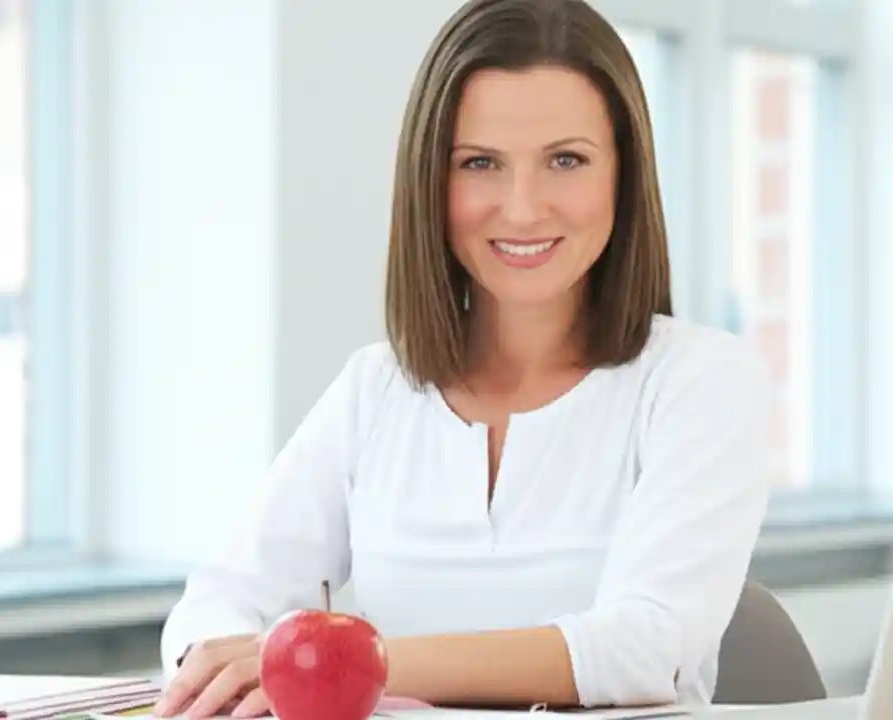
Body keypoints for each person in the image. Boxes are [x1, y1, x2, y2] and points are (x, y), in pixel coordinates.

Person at [154, 0, 771, 716]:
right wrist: (229, 659)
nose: (522, 207)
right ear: (431, 184)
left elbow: (643, 650)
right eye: (480, 163)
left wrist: (351, 665)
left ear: (623, 177)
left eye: (565, 160)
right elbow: (213, 612)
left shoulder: (701, 383)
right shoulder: (375, 390)